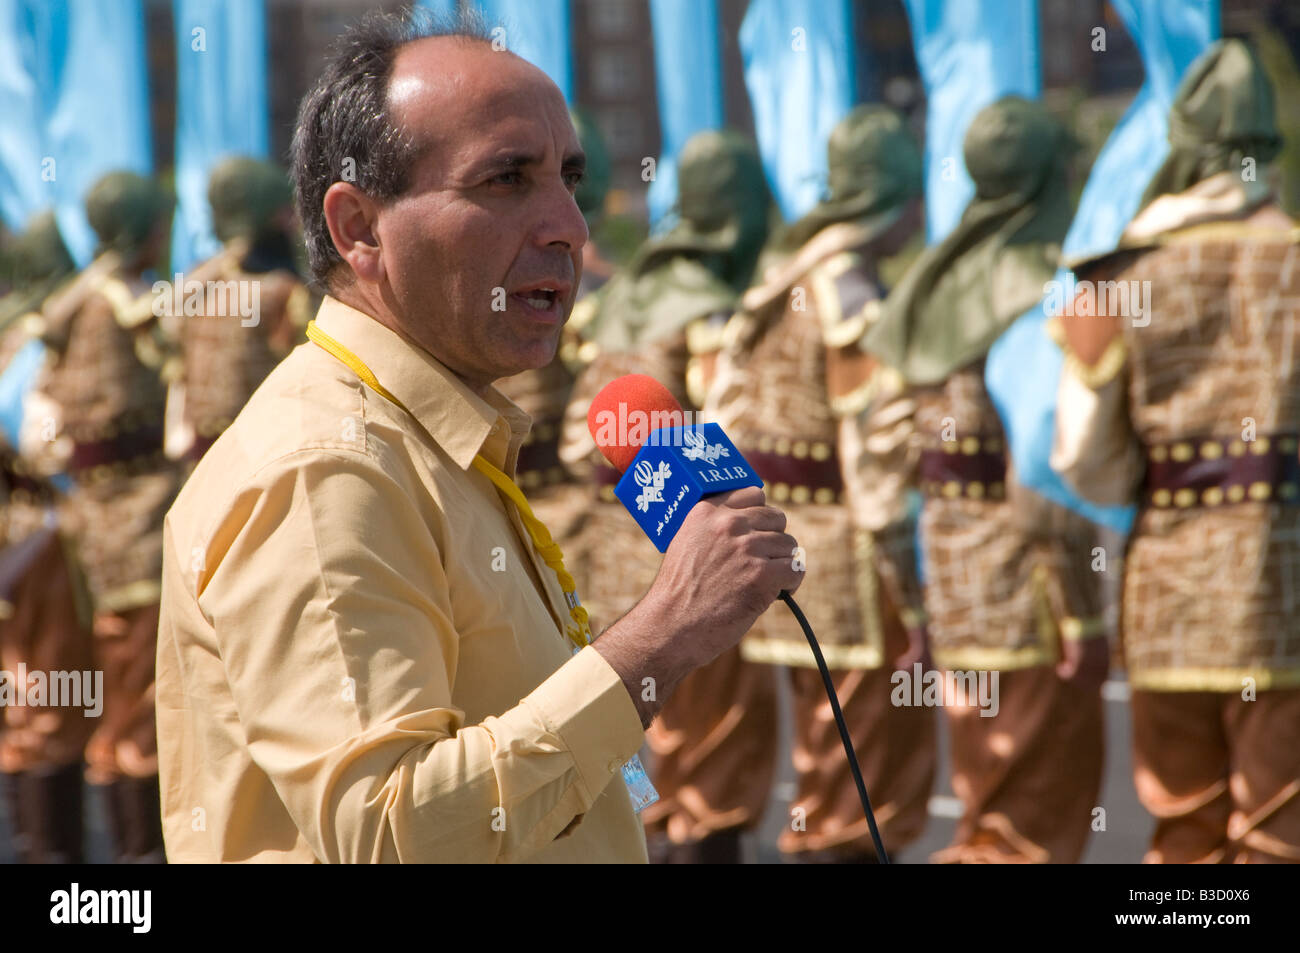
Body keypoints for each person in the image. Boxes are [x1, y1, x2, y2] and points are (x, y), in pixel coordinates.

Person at [154, 10, 802, 864]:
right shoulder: (329, 468)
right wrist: (663, 632)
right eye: (505, 179)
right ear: (359, 229)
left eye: (569, 177)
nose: (569, 225)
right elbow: (392, 833)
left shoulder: (435, 433)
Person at [1052, 39, 1300, 864]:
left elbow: (1083, 455)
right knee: (1277, 828)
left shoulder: (1116, 279)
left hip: (1166, 580)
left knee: (1182, 830)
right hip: (1283, 587)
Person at [862, 96, 1109, 864]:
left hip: (948, 577)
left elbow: (879, 470)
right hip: (1029, 590)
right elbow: (1041, 467)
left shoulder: (924, 290)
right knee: (1032, 823)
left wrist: (910, 597)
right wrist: (1082, 616)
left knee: (981, 800)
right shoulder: (1050, 288)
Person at [705, 104, 936, 863]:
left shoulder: (776, 285)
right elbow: (873, 468)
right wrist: (912, 593)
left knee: (820, 766)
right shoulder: (853, 298)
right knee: (865, 785)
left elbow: (721, 425)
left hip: (780, 553)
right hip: (850, 570)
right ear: (896, 199)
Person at [559, 128, 780, 863]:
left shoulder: (619, 295)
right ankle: (698, 833)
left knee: (635, 708)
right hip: (688, 545)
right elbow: (732, 430)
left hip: (604, 537)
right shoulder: (713, 306)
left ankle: (651, 829)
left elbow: (574, 436)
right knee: (716, 717)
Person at [35, 171, 180, 862]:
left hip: (88, 523)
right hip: (144, 522)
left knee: (111, 699)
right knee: (143, 703)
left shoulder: (67, 305)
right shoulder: (135, 304)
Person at [0, 212, 94, 862]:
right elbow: (43, 440)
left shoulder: (9, 330)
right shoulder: (43, 340)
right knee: (51, 707)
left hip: (14, 536)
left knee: (20, 700)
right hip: (47, 537)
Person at [169, 156, 312, 465]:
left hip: (200, 465)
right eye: (287, 213)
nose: (295, 222)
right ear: (273, 217)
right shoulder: (284, 290)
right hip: (264, 458)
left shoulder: (197, 284)